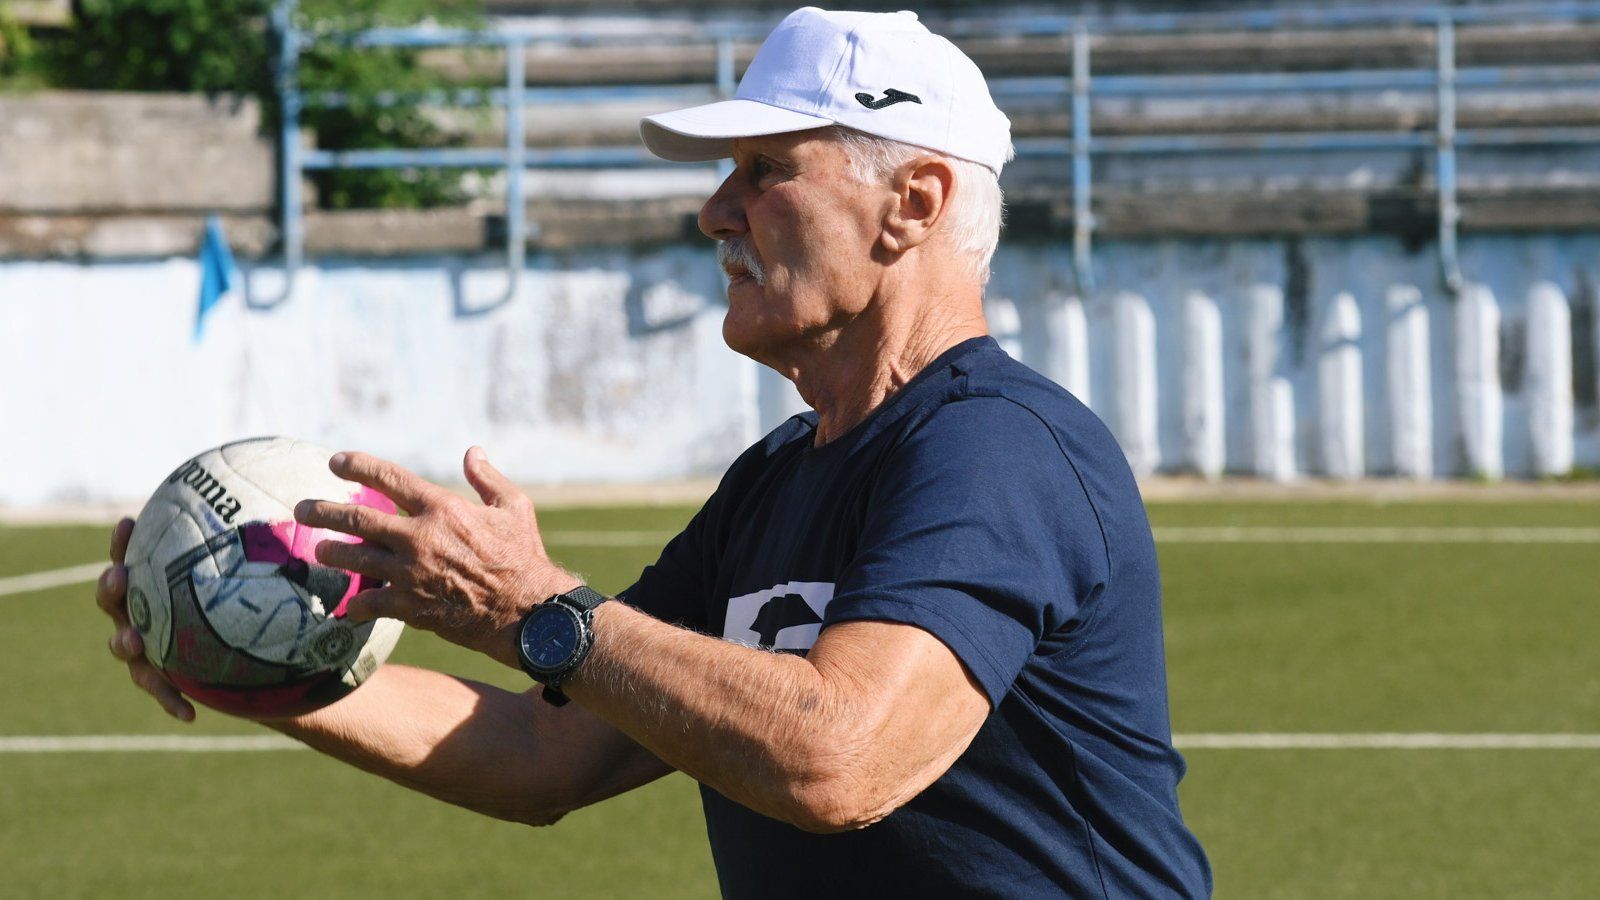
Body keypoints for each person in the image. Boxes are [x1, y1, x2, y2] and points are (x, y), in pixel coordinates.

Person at [97, 8, 1211, 897]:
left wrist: (530, 607)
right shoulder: (776, 477)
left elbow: (840, 760)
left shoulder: (996, 447)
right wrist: (245, 664)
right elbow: (545, 756)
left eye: (765, 168)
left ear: (910, 205)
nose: (714, 211)